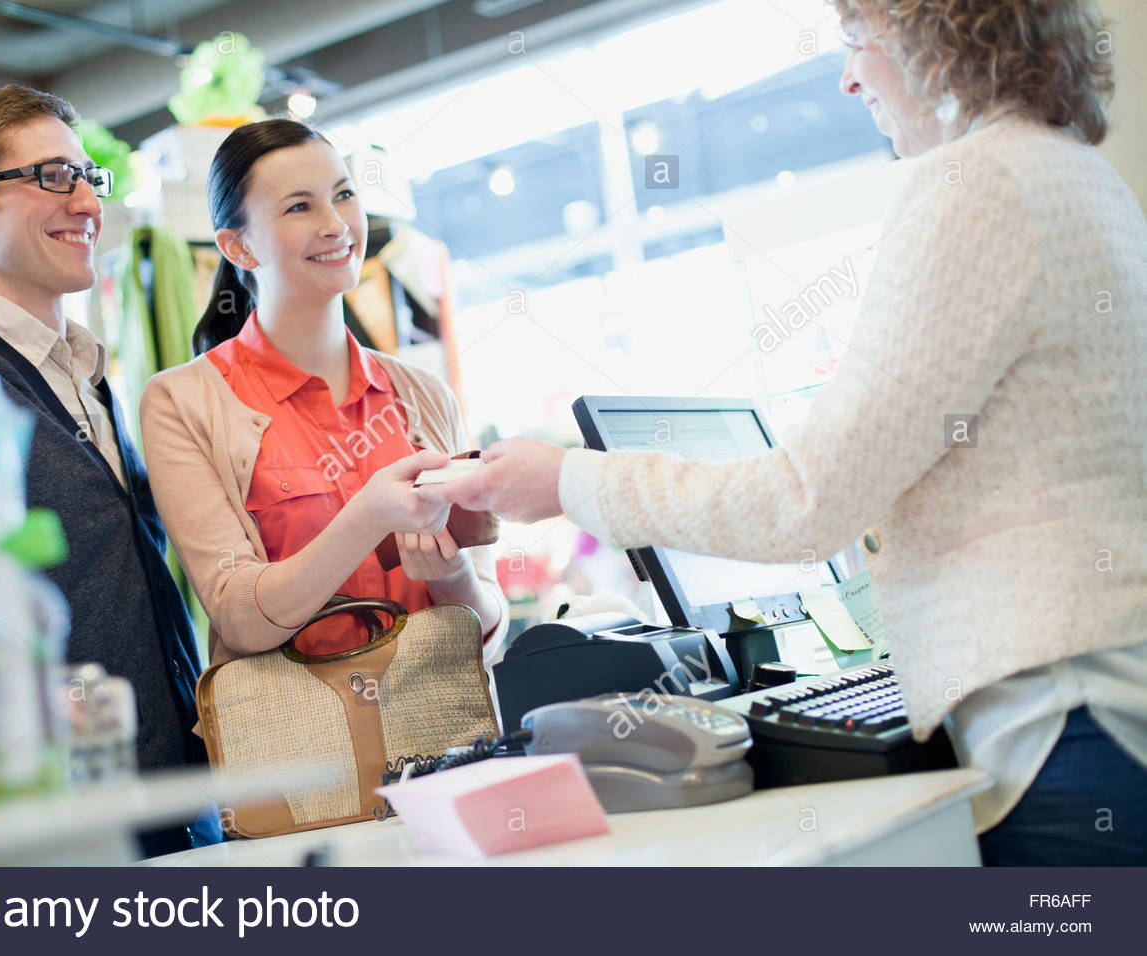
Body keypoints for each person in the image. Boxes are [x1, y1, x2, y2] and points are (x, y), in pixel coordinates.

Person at [426, 0, 1147, 865]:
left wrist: (569, 482)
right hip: (1098, 699)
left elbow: (811, 499)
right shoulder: (1071, 173)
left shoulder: (978, 186)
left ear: (940, 35)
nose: (847, 76)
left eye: (857, 41)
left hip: (1059, 720)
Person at [0, 85, 217, 855]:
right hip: (61, 818)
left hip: (180, 781)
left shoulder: (87, 368)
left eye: (90, 176)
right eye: (53, 176)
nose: (87, 199)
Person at [139, 120, 506, 669]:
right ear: (237, 245)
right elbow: (239, 620)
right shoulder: (181, 402)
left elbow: (489, 631)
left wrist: (453, 577)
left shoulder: (425, 395)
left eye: (344, 195)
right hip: (299, 747)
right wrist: (368, 517)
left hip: (445, 736)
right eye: (298, 207)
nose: (336, 225)